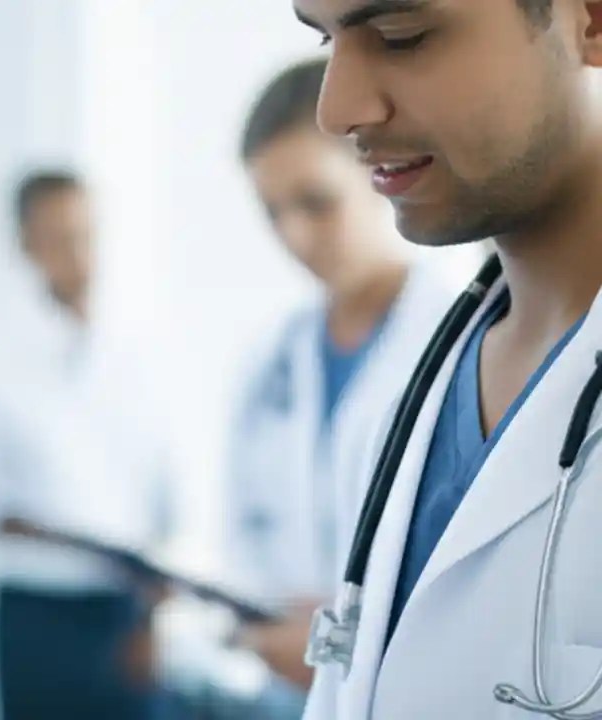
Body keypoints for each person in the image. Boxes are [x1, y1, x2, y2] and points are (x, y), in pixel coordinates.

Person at [291, 0, 602, 718]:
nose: (337, 111)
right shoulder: (402, 409)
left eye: (403, 36)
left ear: (588, 20)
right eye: (326, 41)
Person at [207, 57, 458, 718]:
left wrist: (330, 641)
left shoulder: (462, 343)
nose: (294, 236)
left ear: (380, 174)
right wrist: (257, 623)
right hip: (280, 697)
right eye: (273, 212)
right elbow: (242, 535)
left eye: (316, 203)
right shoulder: (270, 362)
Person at [0, 170, 181, 720]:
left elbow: (166, 498)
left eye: (85, 235)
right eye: (58, 238)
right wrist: (103, 547)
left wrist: (152, 616)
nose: (78, 255)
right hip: (36, 614)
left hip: (124, 612)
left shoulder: (138, 353)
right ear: (26, 245)